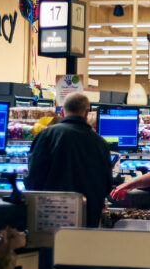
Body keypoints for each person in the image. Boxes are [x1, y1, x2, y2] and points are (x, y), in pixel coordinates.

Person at [26, 93, 112, 228]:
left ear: (61, 111)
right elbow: (107, 185)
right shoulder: (100, 143)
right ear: (86, 113)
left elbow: (34, 178)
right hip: (87, 221)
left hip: (51, 218)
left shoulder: (46, 135)